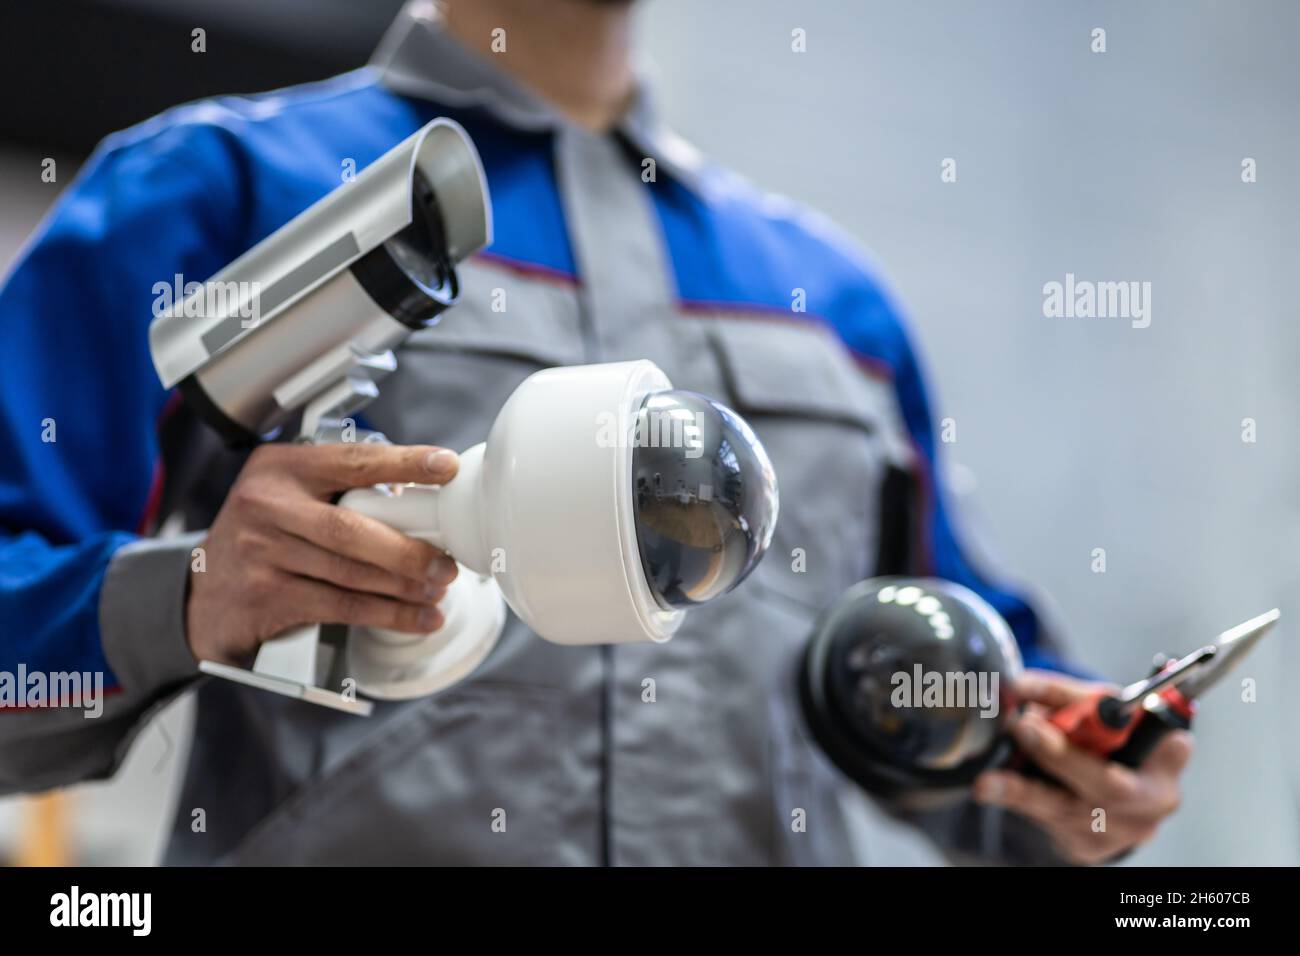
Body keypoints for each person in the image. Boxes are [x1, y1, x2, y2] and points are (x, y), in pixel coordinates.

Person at [0, 0, 1190, 865]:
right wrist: (197, 590)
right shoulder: (213, 194)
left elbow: (946, 700)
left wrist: (1086, 779)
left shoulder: (832, 300)